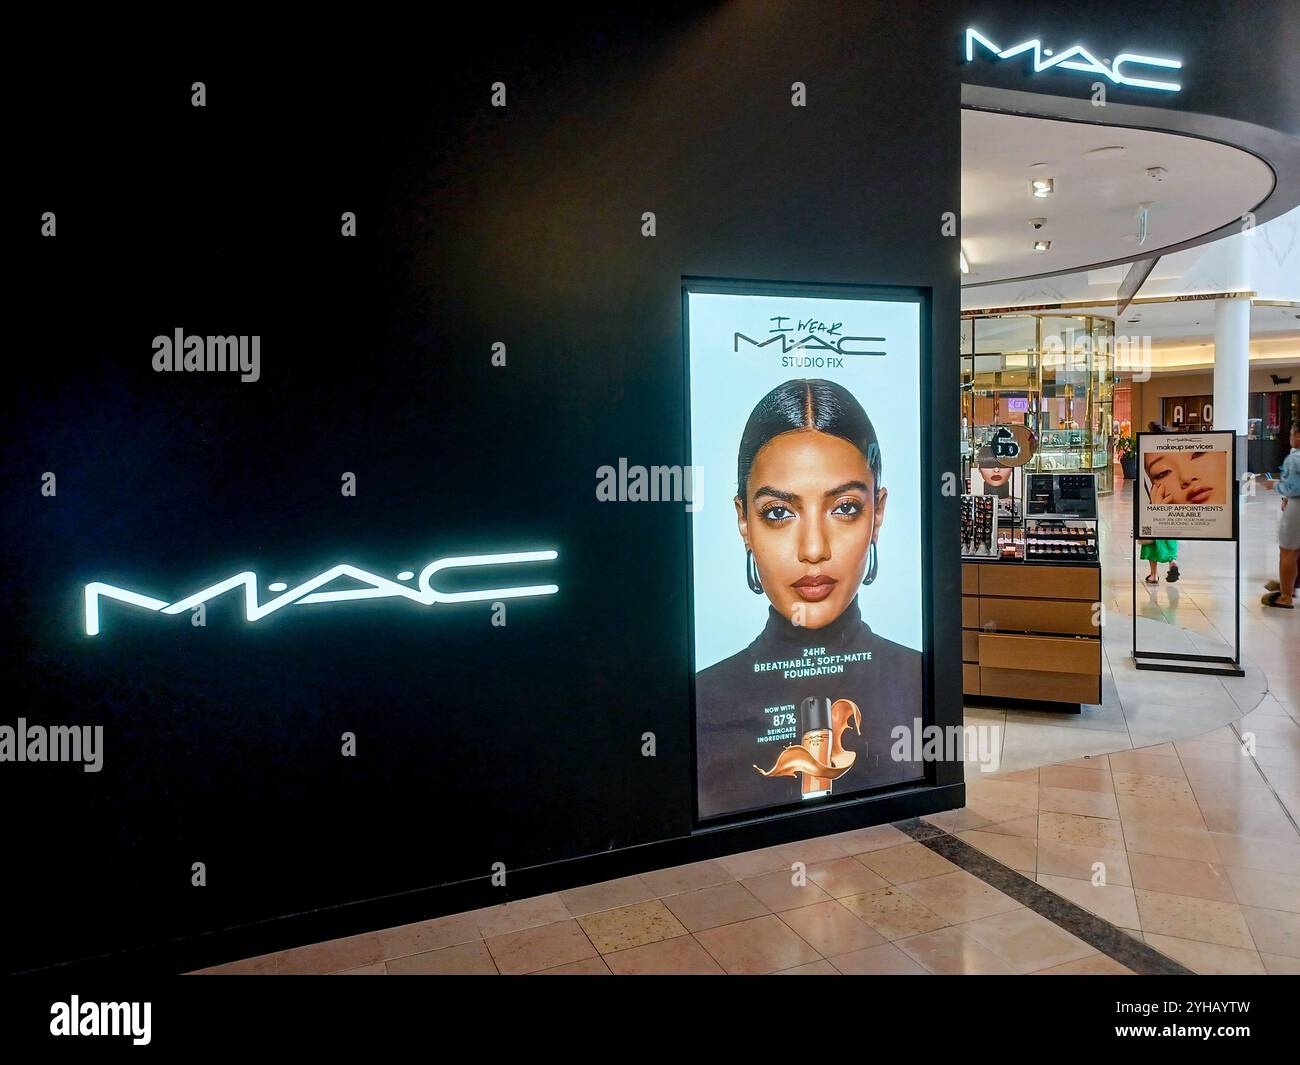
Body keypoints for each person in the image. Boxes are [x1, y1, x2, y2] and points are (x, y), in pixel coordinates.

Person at [694, 379, 922, 820]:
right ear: (744, 521)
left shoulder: (918, 681)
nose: (814, 549)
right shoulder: (700, 702)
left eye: (845, 508)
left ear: (878, 513)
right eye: (779, 513)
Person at [1260, 421, 1300, 609]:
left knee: (1288, 551)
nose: (1290, 437)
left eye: (1292, 433)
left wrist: (1274, 485)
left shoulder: (1295, 458)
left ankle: (1286, 596)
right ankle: (1289, 585)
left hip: (1297, 507)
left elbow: (1293, 486)